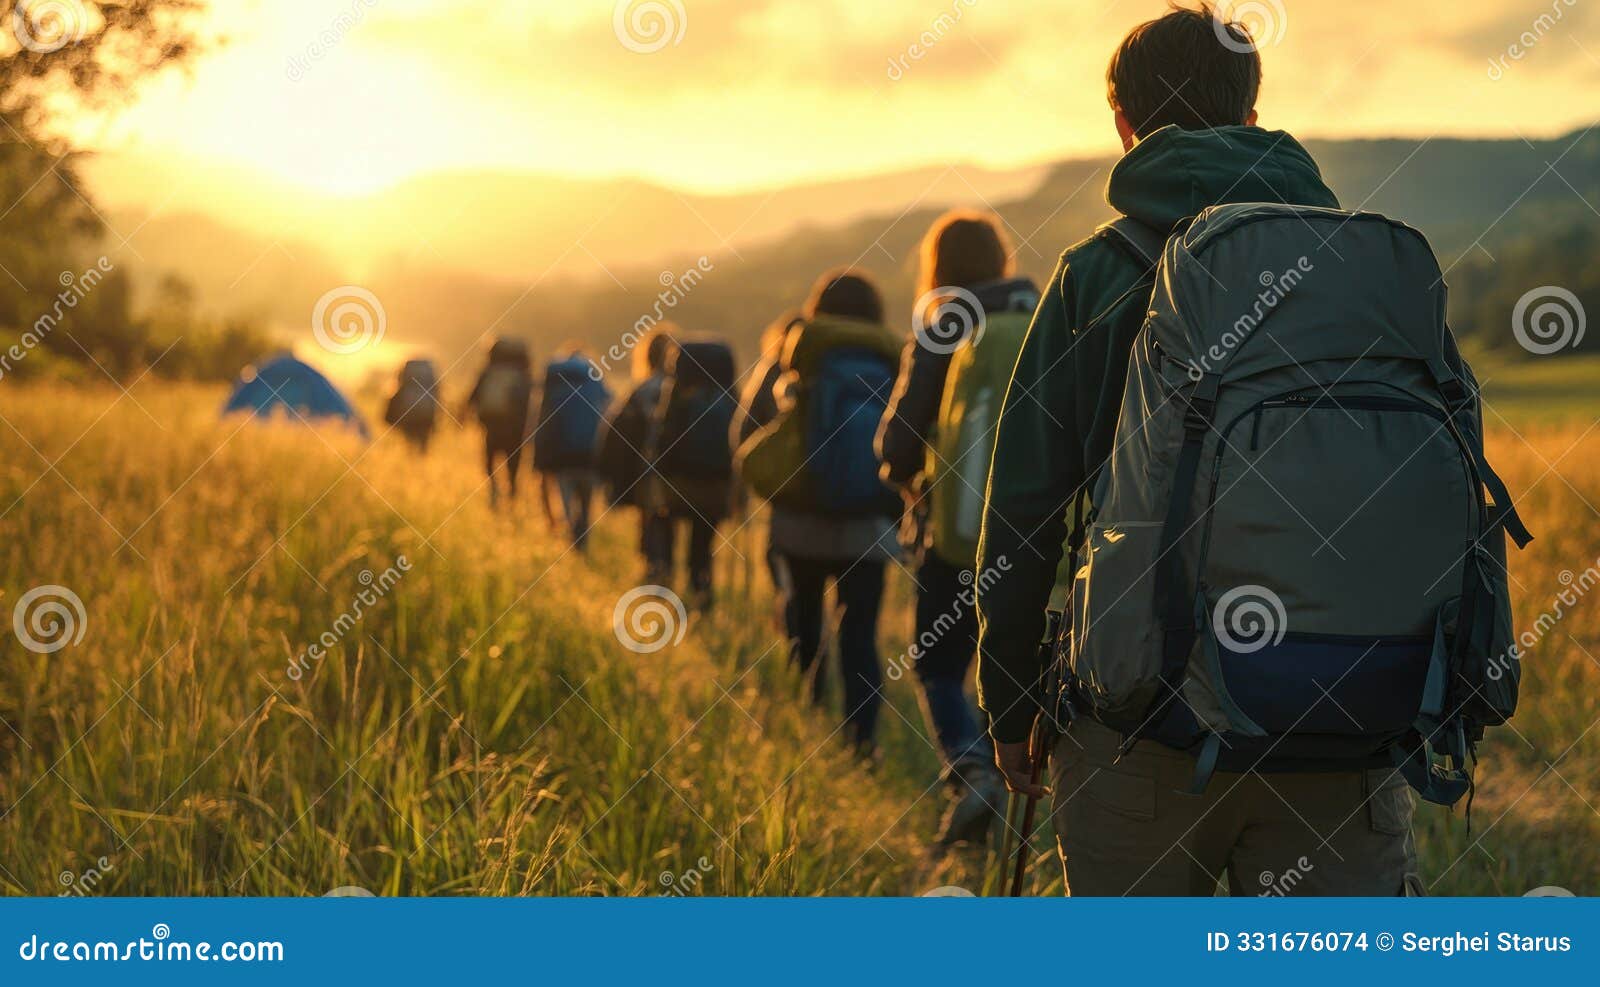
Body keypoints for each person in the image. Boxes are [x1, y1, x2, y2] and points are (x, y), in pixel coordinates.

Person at [975, 3, 1420, 894]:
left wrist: (1011, 700)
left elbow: (1024, 503)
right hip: (1346, 712)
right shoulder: (1364, 267)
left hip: (1139, 717)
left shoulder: (1097, 274)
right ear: (1256, 118)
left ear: (1124, 127)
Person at [876, 210, 1038, 845]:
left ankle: (972, 771)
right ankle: (1020, 803)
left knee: (939, 663)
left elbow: (898, 436)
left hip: (955, 528)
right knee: (1016, 657)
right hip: (1035, 532)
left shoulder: (944, 319)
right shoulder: (1042, 314)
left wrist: (903, 469)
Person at [750, 269, 901, 759]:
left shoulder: (800, 355)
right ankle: (862, 745)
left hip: (800, 524)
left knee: (806, 624)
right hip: (870, 528)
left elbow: (752, 428)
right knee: (860, 636)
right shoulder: (896, 359)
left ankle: (809, 720)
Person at [652, 338, 738, 606]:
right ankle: (701, 590)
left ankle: (663, 582)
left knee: (666, 528)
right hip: (715, 483)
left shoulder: (679, 393)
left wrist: (659, 468)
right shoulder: (729, 395)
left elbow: (665, 436)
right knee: (702, 543)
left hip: (679, 480)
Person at [731, 311, 805, 593]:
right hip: (843, 483)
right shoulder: (833, 364)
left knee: (782, 552)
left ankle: (791, 614)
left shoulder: (773, 368)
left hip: (784, 481)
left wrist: (752, 470)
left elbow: (745, 427)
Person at [595, 327, 677, 580]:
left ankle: (652, 565)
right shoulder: (679, 388)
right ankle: (667, 566)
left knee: (648, 516)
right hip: (673, 466)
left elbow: (614, 430)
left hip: (644, 465)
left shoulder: (641, 389)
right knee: (667, 517)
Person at [532, 346, 611, 552]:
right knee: (586, 506)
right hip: (591, 455)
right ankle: (581, 544)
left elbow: (540, 423)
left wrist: (538, 461)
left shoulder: (554, 382)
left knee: (566, 508)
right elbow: (609, 412)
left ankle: (569, 545)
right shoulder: (595, 379)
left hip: (561, 457)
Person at [464, 338, 533, 509]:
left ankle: (494, 492)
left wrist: (462, 416)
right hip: (516, 430)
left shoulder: (488, 372)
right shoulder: (522, 374)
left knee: (489, 463)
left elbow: (473, 397)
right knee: (513, 467)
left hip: (492, 426)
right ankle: (512, 497)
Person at [384, 357, 441, 453]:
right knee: (423, 445)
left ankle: (412, 460)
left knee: (409, 444)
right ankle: (422, 461)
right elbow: (438, 399)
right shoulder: (430, 381)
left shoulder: (405, 381)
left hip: (409, 416)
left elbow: (395, 399)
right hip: (426, 417)